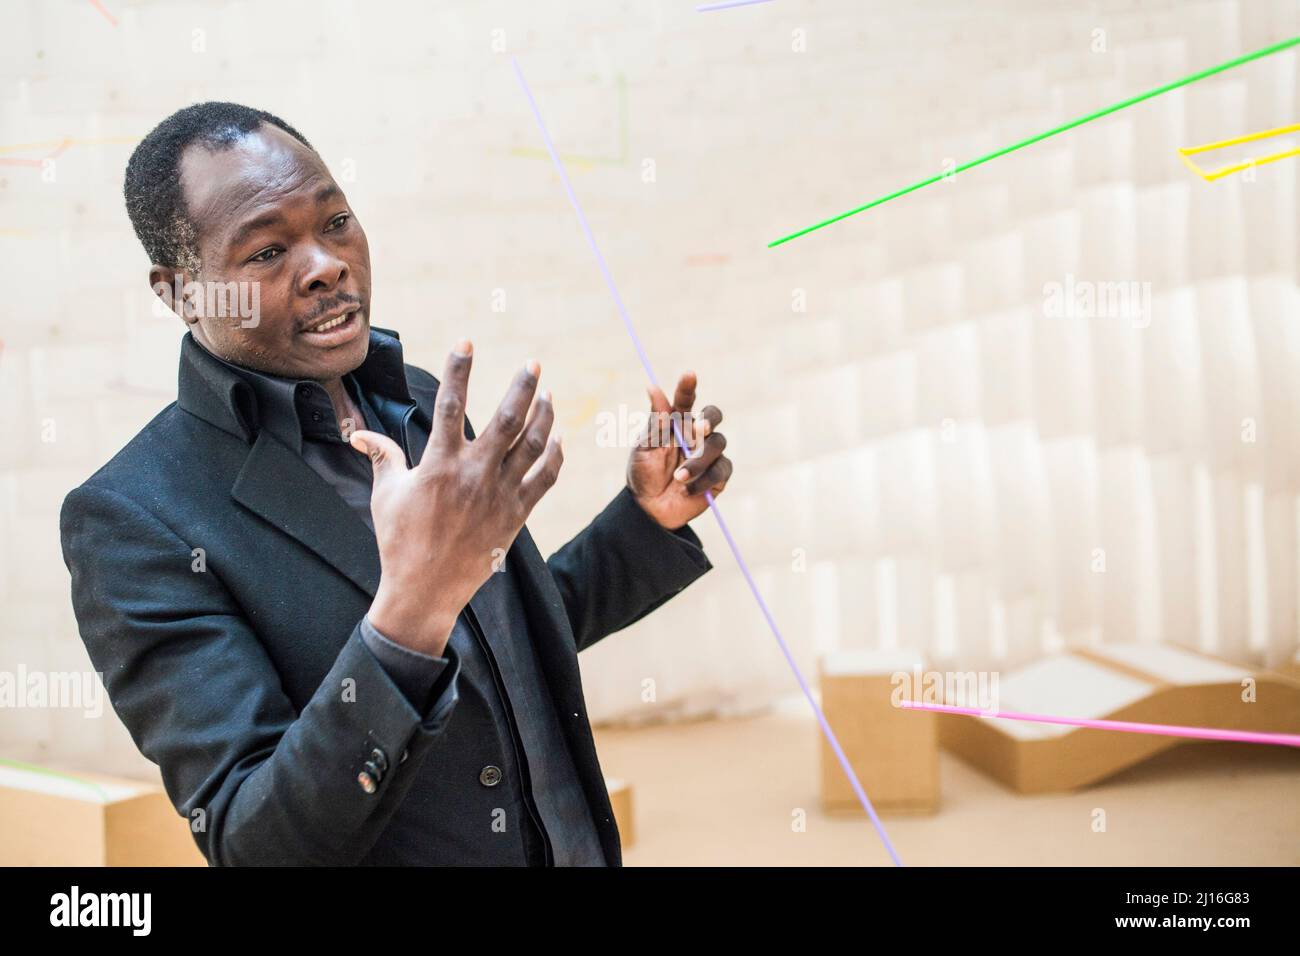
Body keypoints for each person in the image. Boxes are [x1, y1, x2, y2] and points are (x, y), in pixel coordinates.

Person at [59, 102, 734, 866]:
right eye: (267, 251)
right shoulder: (134, 518)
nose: (326, 265)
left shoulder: (417, 403)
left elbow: (505, 640)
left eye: (335, 221)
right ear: (181, 293)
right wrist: (411, 608)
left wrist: (646, 518)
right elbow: (256, 841)